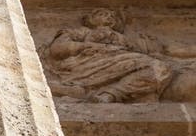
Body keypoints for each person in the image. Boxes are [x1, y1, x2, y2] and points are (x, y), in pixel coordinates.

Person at [40, 8, 174, 103]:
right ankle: (81, 89)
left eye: (112, 16)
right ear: (91, 19)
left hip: (122, 61)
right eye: (102, 14)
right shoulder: (82, 32)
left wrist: (152, 44)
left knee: (160, 68)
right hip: (89, 63)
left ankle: (110, 94)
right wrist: (88, 46)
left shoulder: (123, 39)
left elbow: (159, 50)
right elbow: (58, 49)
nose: (109, 17)